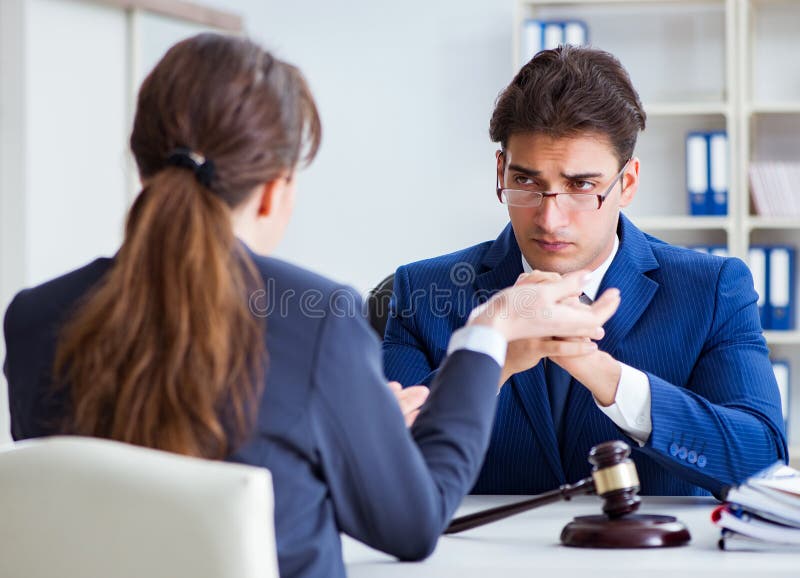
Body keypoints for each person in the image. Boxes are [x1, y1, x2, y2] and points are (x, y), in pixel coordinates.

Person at [2, 34, 620, 578]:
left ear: (143, 166)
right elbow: (412, 526)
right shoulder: (315, 318)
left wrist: (343, 420)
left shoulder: (32, 319)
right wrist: (490, 330)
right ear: (274, 192)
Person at [383, 45, 787, 498]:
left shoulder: (712, 290)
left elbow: (762, 462)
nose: (550, 220)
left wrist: (604, 375)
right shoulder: (421, 292)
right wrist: (490, 362)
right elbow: (378, 469)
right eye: (527, 182)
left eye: (581, 186)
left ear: (627, 183)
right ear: (500, 172)